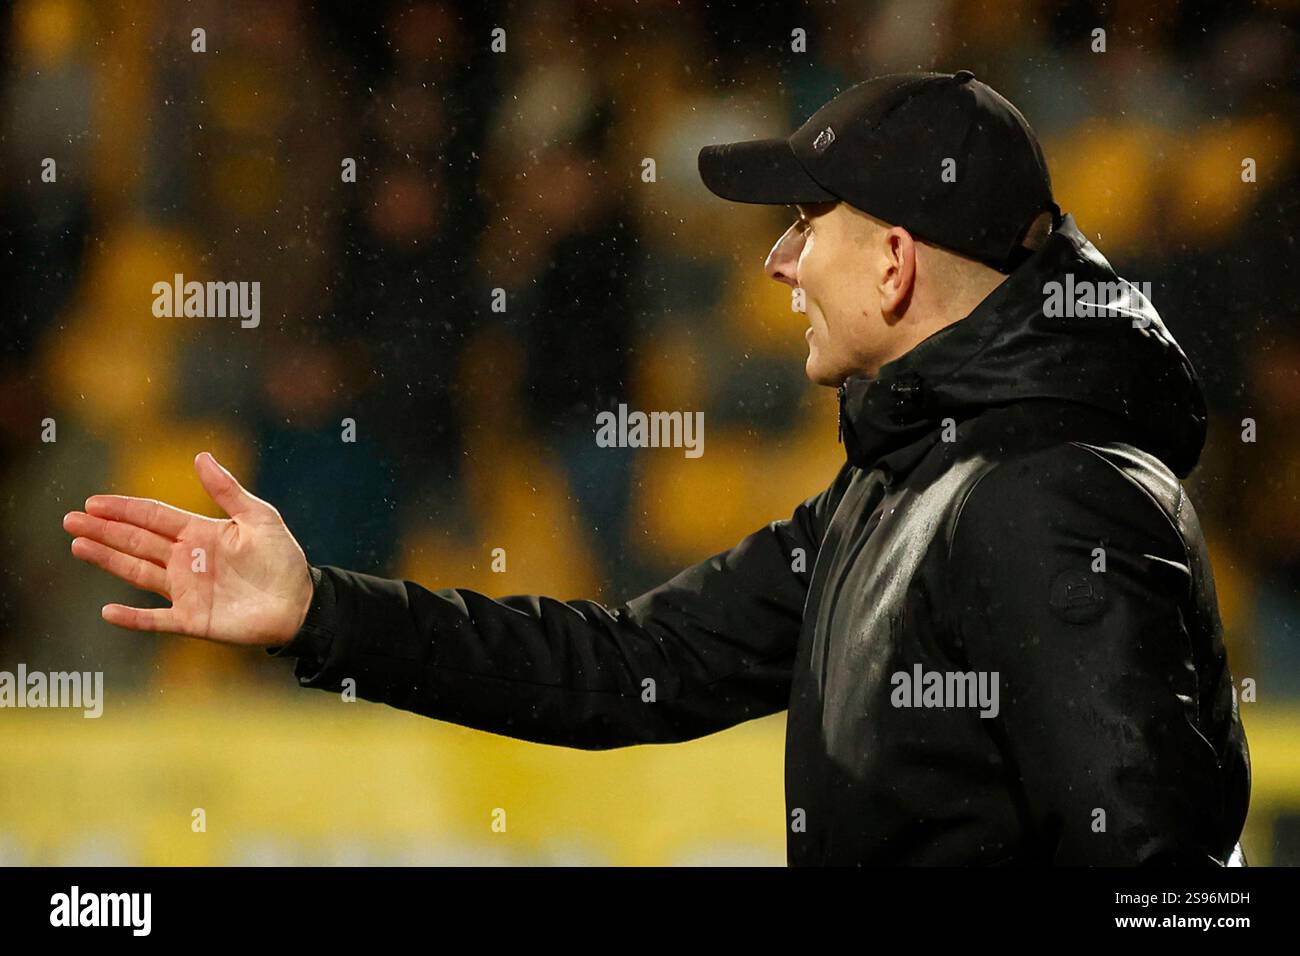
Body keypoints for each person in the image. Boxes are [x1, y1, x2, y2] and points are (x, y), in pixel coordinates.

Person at [62, 71, 1250, 865]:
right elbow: (630, 664)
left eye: (804, 224)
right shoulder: (898, 482)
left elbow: (1163, 880)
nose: (779, 262)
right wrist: (321, 611)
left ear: (893, 263)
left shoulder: (1050, 493)